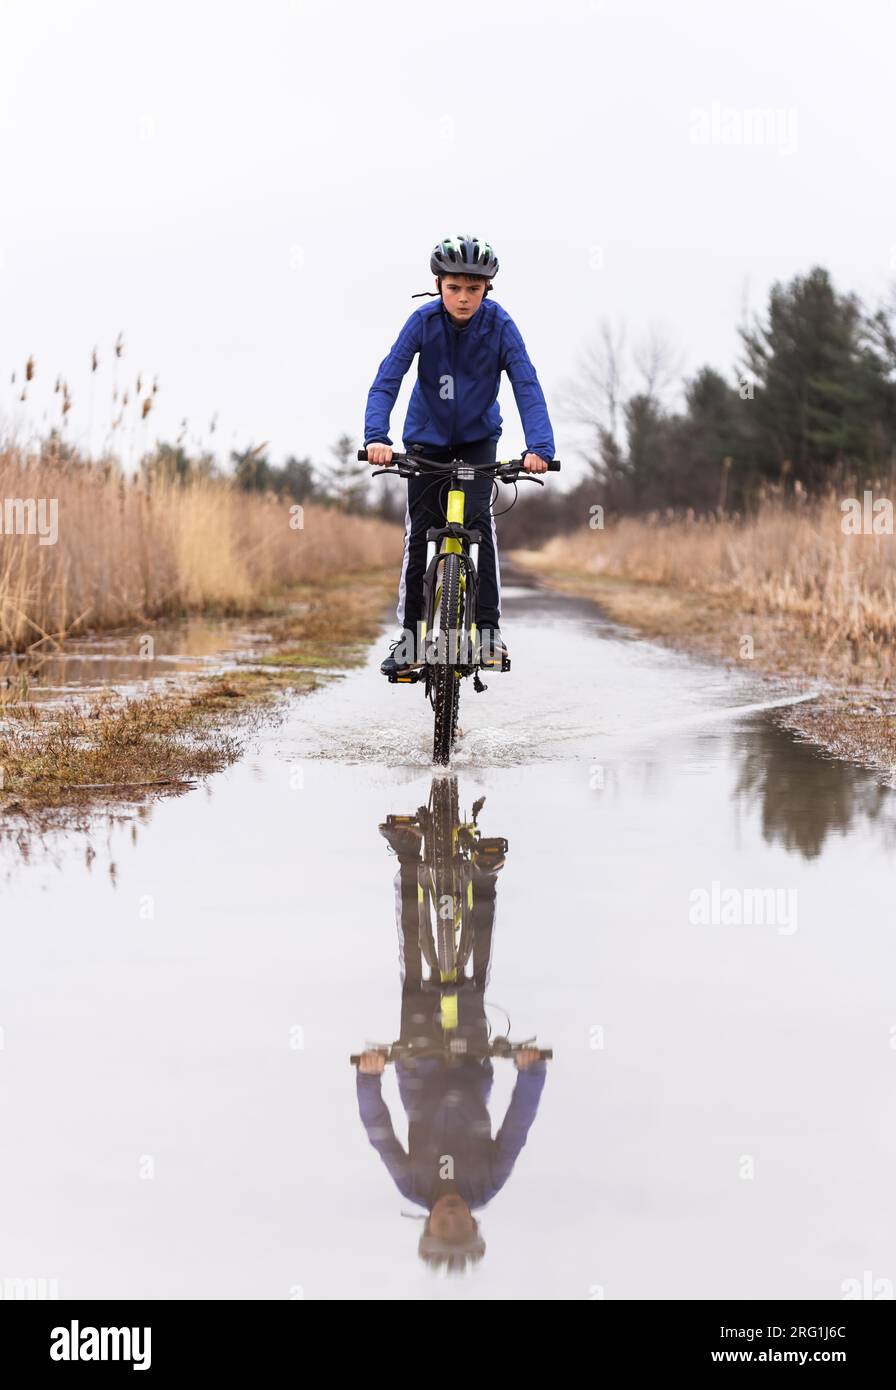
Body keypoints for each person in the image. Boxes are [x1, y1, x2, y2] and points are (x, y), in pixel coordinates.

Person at [355, 803, 547, 1273]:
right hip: (468, 1062)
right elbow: (518, 1126)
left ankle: (407, 854)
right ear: (475, 1227)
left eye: (445, 1229)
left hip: (418, 1066)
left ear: (428, 1225)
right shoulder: (488, 1183)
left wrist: (369, 1076)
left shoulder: (413, 1186)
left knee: (413, 979)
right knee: (474, 983)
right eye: (463, 1229)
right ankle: (484, 878)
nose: (454, 1219)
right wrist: (530, 1069)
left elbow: (380, 1134)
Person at [363, 235, 556, 678]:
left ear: (487, 288)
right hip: (425, 442)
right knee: (418, 536)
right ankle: (410, 640)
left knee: (479, 527)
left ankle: (488, 631)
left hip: (477, 443)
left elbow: (526, 383)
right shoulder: (422, 322)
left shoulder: (501, 326)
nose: (464, 298)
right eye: (454, 288)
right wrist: (377, 436)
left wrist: (539, 448)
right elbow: (388, 377)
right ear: (439, 284)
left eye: (473, 288)